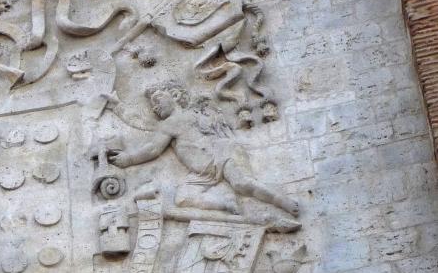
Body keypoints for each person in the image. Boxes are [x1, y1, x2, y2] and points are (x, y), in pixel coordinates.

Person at [106, 81, 299, 219]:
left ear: (174, 96)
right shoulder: (170, 123)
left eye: (158, 99)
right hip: (202, 172)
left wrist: (129, 159)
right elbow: (143, 124)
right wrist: (116, 106)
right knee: (183, 198)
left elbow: (153, 148)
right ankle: (226, 204)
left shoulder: (176, 120)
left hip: (220, 154)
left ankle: (283, 202)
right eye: (152, 104)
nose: (155, 107)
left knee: (242, 184)